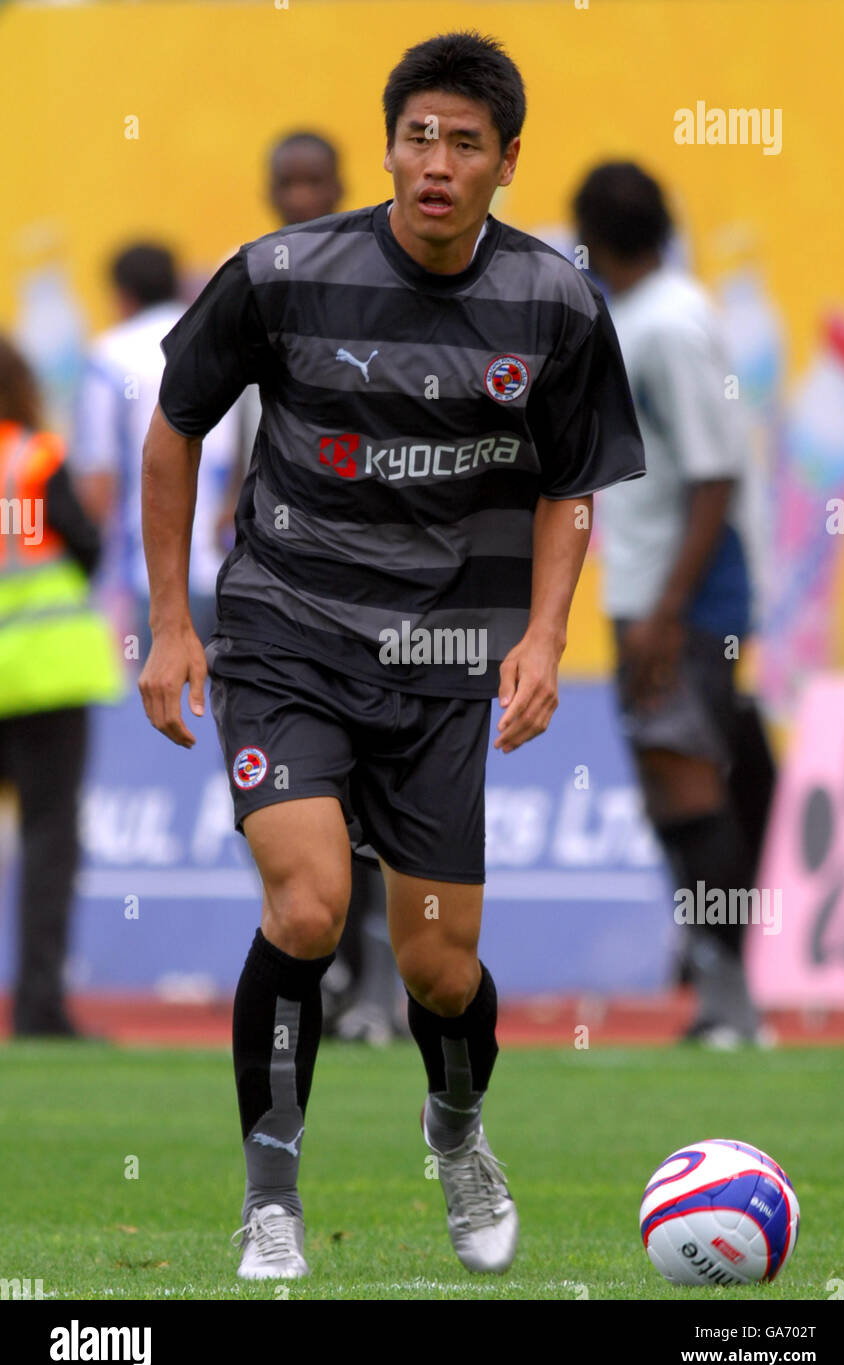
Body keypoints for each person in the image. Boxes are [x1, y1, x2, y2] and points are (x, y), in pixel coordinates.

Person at [138, 30, 644, 1280]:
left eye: (463, 142)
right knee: (307, 909)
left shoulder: (557, 302)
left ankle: (457, 1131)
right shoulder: (277, 273)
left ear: (506, 161)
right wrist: (169, 621)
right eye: (417, 135)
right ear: (388, 145)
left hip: (445, 662)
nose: (435, 162)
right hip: (286, 634)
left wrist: (543, 633)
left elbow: (572, 488)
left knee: (437, 962)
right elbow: (173, 432)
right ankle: (270, 1198)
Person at [573, 161, 773, 1049]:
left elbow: (716, 469)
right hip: (656, 589)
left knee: (686, 780)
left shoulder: (674, 324)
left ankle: (728, 1004)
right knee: (691, 776)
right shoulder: (637, 315)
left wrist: (669, 606)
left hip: (680, 596)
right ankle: (714, 982)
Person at [217, 129, 404, 1044]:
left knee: (374, 803)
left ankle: (380, 985)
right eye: (283, 180)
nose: (298, 195)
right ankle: (329, 984)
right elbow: (231, 425)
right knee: (303, 806)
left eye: (312, 181)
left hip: (381, 586)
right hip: (283, 587)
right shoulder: (253, 284)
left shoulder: (388, 280)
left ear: (342, 184)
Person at [0, 335, 122, 1037]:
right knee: (48, 843)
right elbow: (87, 546)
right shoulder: (34, 458)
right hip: (46, 675)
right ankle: (37, 1006)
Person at [72, 243, 240, 650]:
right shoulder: (216, 336)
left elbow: (98, 484)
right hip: (233, 567)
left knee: (162, 708)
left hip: (151, 579)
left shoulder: (111, 355)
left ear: (122, 296)